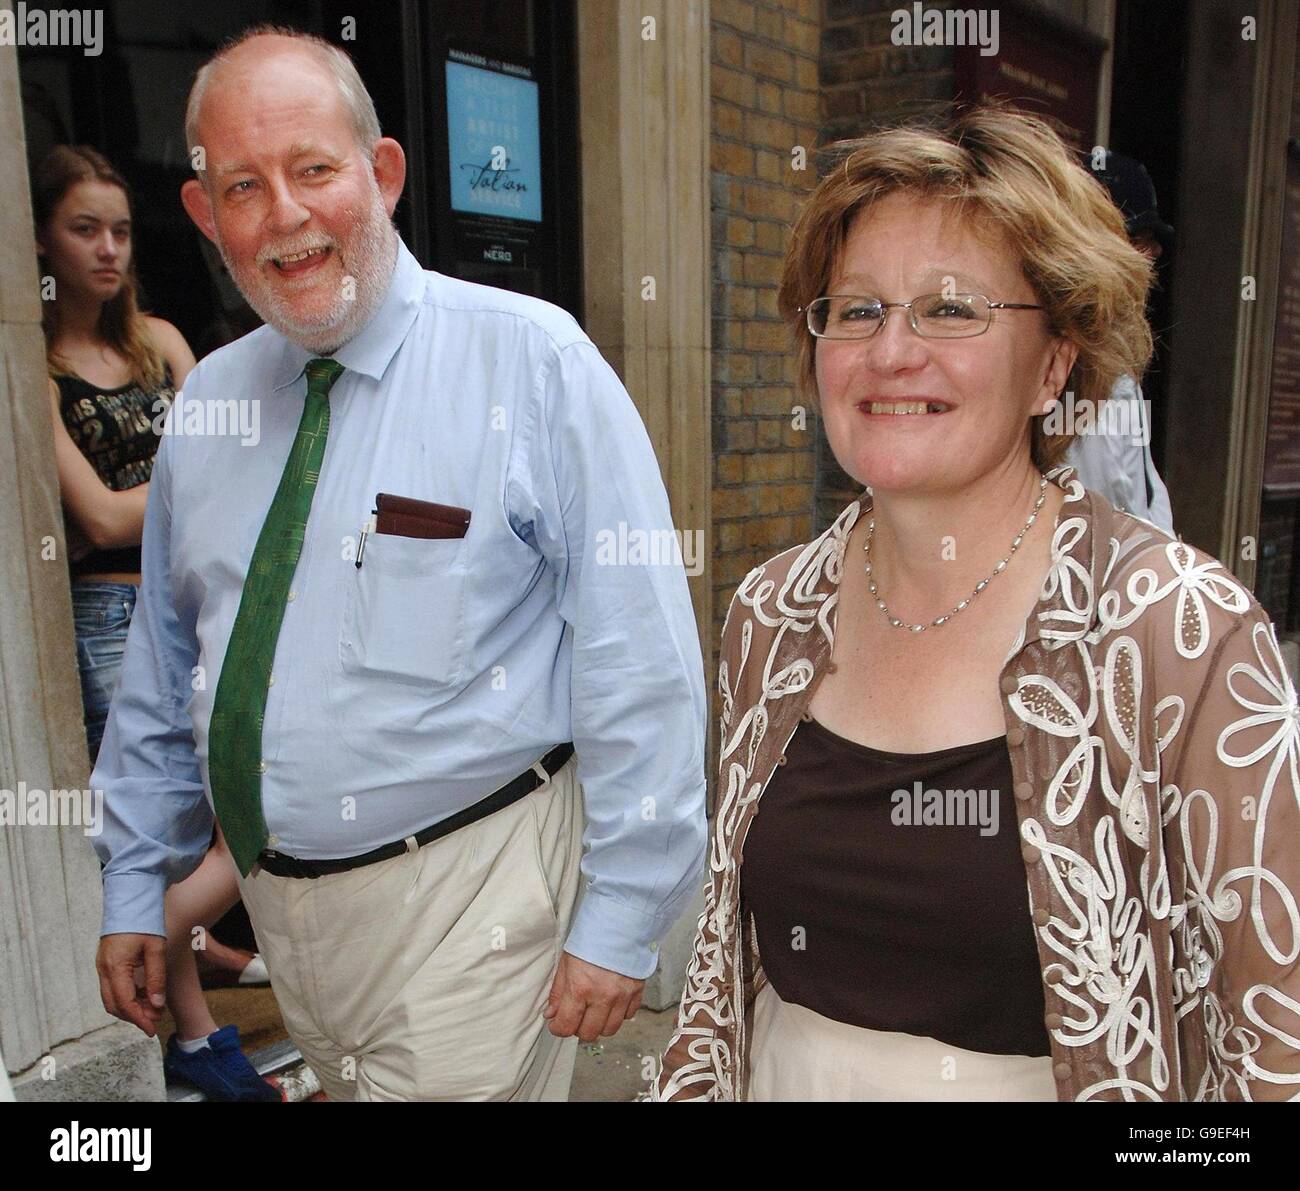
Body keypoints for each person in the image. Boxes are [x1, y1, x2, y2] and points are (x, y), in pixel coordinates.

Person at [91, 25, 707, 1102]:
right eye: (243, 187)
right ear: (205, 214)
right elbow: (163, 666)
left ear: (381, 174)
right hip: (287, 922)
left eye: (313, 169)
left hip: (477, 899)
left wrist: (623, 912)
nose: (285, 215)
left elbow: (637, 652)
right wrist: (137, 878)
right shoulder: (210, 406)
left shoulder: (533, 361)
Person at [654, 104, 1300, 1102]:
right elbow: (727, 965)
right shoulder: (772, 613)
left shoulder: (1180, 632)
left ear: (1054, 366)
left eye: (951, 310)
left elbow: (1271, 1035)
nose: (890, 351)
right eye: (855, 310)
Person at [33, 145, 277, 1103]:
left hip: (199, 599)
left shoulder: (165, 344)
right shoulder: (37, 370)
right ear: (41, 240)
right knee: (152, 829)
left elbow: (240, 474)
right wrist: (179, 494)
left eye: (122, 230)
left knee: (245, 803)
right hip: (106, 612)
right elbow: (97, 517)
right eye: (83, 229)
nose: (108, 249)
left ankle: (197, 950)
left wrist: (183, 502)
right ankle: (198, 1029)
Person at [1066, 150, 1174, 531]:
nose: (1155, 252)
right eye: (1142, 237)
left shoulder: (1113, 345)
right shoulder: (1081, 354)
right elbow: (1106, 504)